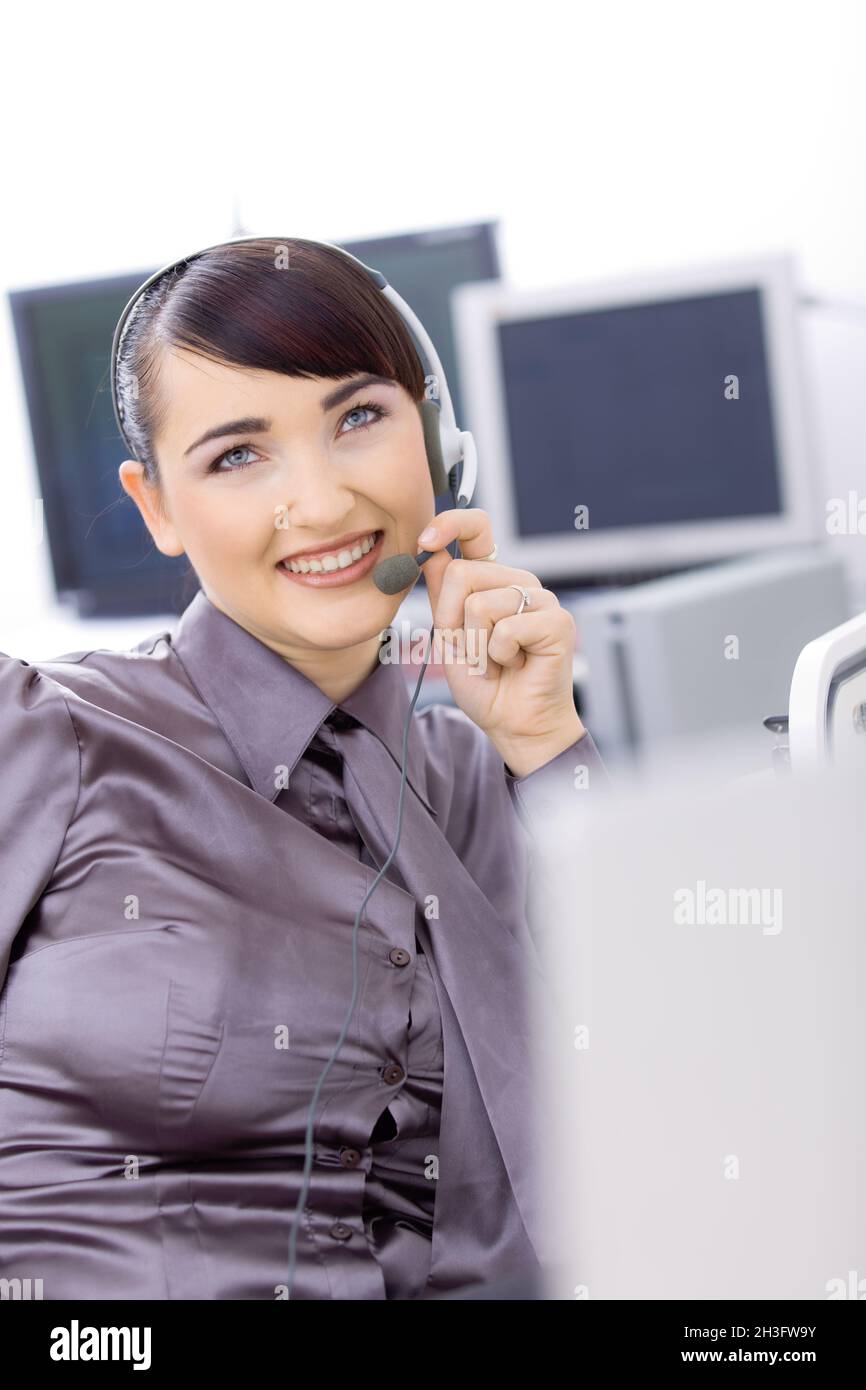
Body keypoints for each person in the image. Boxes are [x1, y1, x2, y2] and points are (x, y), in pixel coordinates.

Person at [0, 237, 609, 1301]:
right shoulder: (50, 732)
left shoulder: (477, 778)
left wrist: (550, 752)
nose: (321, 504)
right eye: (239, 454)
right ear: (155, 507)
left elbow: (671, 1101)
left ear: (437, 443)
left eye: (358, 417)